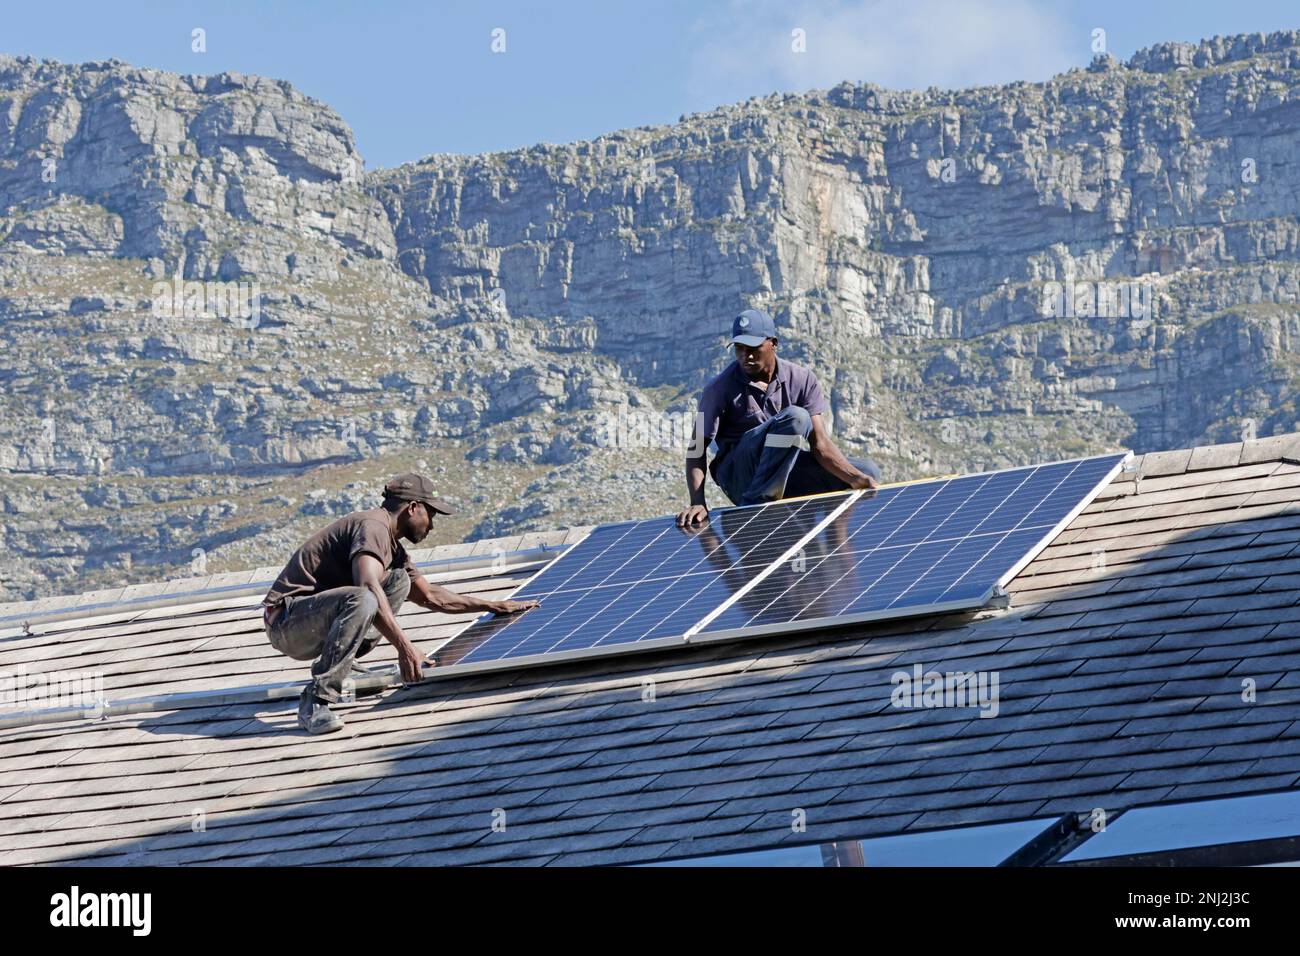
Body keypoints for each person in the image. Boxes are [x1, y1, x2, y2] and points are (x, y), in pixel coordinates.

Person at [262, 472, 537, 734]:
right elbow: (366, 587)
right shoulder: (373, 527)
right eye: (430, 515)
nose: (432, 525)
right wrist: (406, 648)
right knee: (364, 596)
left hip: (316, 620)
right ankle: (317, 700)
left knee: (398, 581)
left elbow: (430, 596)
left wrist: (492, 605)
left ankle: (345, 665)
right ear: (413, 508)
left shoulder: (394, 549)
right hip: (288, 624)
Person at [677, 309, 882, 527]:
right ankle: (757, 506)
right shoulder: (719, 389)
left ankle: (831, 534)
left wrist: (854, 478)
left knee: (866, 471)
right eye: (739, 348)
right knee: (796, 418)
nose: (746, 355)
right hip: (741, 476)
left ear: (773, 343)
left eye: (754, 348)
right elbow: (697, 447)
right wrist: (698, 502)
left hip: (782, 473)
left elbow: (820, 445)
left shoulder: (802, 379)